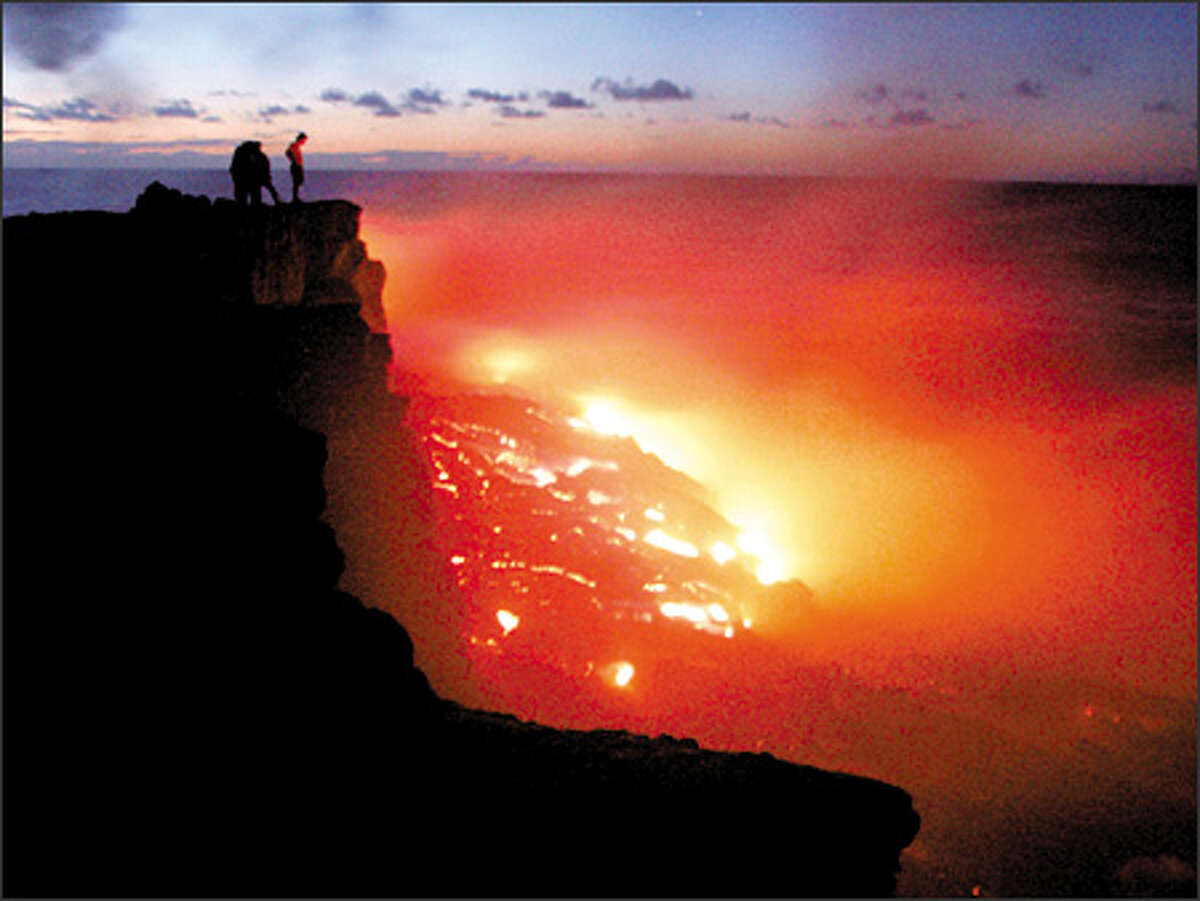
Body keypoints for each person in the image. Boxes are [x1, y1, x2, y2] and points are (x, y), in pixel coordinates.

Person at [229, 140, 280, 206]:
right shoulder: (250, 154)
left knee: (246, 199)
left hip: (248, 179)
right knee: (249, 198)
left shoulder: (247, 154)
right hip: (248, 179)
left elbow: (265, 166)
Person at [285, 132, 308, 204]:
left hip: (298, 166)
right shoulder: (294, 145)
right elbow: (288, 152)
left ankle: (296, 198)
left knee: (299, 181)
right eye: (304, 140)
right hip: (296, 166)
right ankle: (295, 198)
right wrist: (294, 161)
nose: (304, 142)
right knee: (296, 182)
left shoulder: (297, 146)